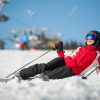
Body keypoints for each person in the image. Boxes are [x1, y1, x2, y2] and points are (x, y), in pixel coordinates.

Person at [17, 30, 100, 80]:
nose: (88, 39)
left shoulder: (98, 54)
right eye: (87, 37)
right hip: (63, 61)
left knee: (48, 74)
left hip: (71, 70)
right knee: (43, 66)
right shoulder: (80, 48)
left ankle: (35, 79)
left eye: (91, 38)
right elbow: (69, 57)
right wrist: (60, 49)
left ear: (97, 40)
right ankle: (20, 74)